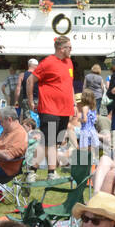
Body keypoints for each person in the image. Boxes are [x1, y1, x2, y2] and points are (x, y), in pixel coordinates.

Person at [27, 36, 77, 178]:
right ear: (61, 49)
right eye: (69, 47)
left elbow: (69, 84)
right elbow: (30, 80)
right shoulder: (47, 62)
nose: (71, 49)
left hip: (64, 109)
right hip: (49, 108)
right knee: (46, 141)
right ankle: (34, 171)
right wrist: (31, 101)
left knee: (54, 142)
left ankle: (49, 172)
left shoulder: (69, 62)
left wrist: (73, 104)